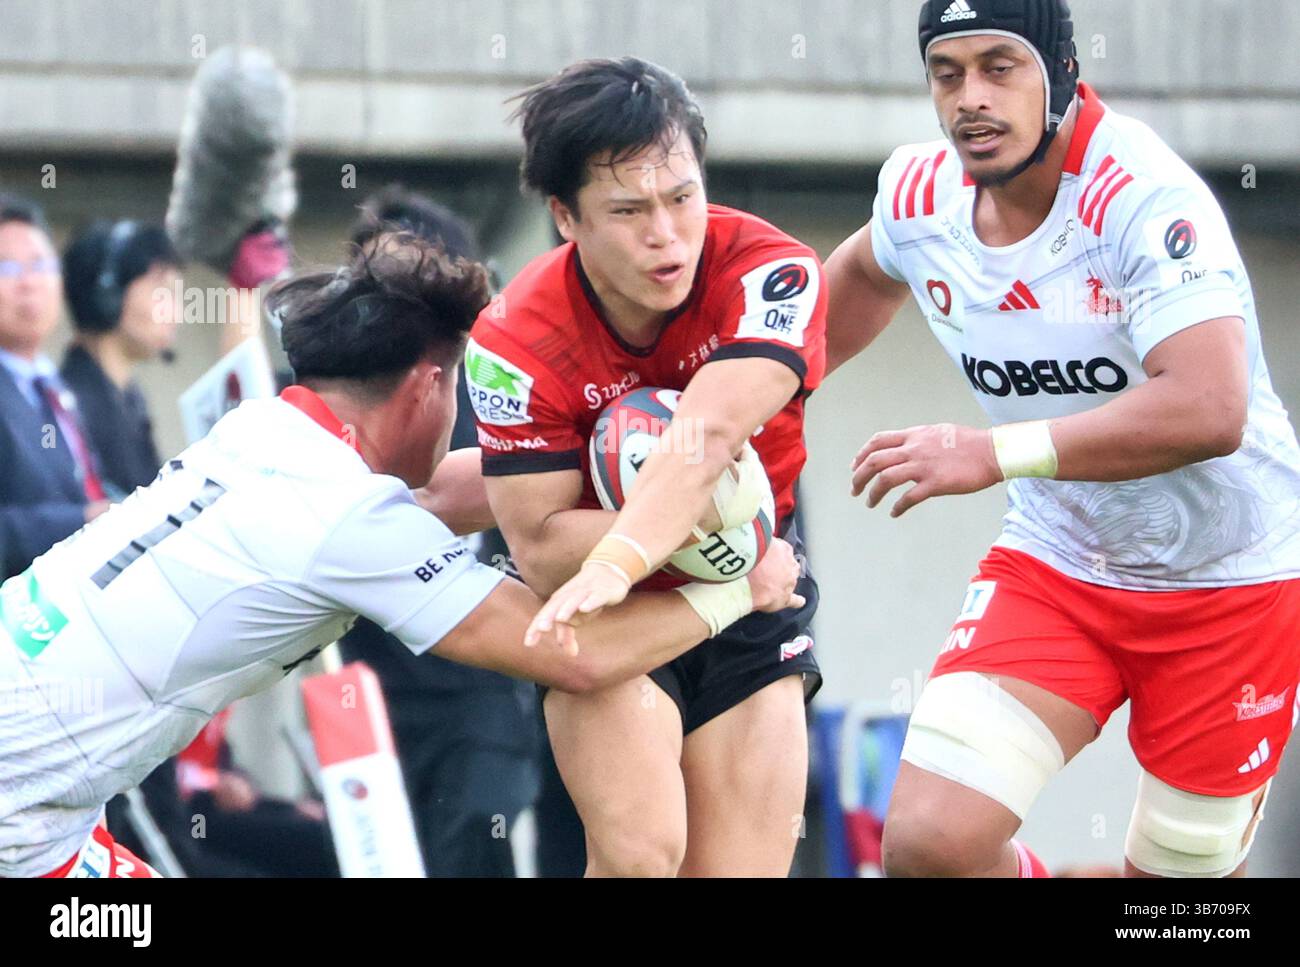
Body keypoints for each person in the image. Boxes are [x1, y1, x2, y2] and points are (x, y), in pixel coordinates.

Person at [0, 233, 803, 878]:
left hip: (38, 774)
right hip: (24, 793)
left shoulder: (264, 432)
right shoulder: (349, 521)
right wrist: (737, 590)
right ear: (427, 386)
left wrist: (572, 453)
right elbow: (575, 652)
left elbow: (434, 498)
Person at [823, 0, 1300, 878]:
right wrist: (759, 399)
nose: (971, 97)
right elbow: (856, 275)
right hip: (1062, 561)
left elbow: (1209, 406)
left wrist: (990, 452)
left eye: (1000, 66)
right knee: (930, 847)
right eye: (947, 72)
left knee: (1183, 903)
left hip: (1231, 579)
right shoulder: (922, 193)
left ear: (1060, 75)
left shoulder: (1142, 196)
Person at [469, 58, 826, 877]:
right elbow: (546, 547)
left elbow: (708, 431)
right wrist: (690, 553)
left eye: (682, 197)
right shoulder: (511, 342)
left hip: (751, 607)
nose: (666, 234)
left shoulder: (773, 272)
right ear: (566, 216)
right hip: (614, 611)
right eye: (628, 210)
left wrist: (633, 547)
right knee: (640, 860)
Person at [339, 186, 543, 877]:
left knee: (470, 841)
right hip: (373, 692)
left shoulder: (499, 388)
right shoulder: (337, 398)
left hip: (483, 685)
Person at [0, 196, 109, 580]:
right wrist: (79, 521)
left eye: (41, 265)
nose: (28, 282)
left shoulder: (52, 385)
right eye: (7, 267)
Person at [60, 220, 184, 498]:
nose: (176, 313)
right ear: (109, 295)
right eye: (162, 292)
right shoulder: (73, 404)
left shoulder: (127, 398)